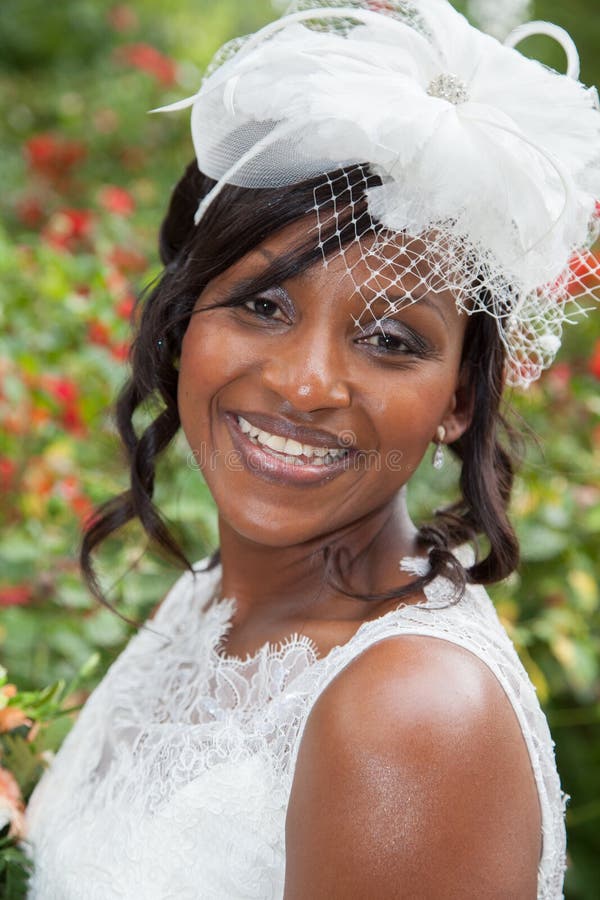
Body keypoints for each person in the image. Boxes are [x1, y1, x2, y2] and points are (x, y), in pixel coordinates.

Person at [24, 1, 600, 897]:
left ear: (457, 400)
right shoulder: (220, 591)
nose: (306, 385)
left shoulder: (410, 716)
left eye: (391, 341)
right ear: (185, 322)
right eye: (264, 304)